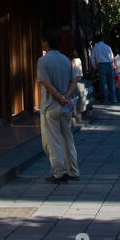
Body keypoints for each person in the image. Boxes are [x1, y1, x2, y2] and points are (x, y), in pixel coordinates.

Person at [37, 30, 80, 184]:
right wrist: (66, 96)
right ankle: (73, 170)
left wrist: (59, 97)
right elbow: (74, 81)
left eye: (43, 41)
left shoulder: (43, 61)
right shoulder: (65, 60)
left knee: (52, 141)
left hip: (51, 105)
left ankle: (59, 173)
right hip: (66, 106)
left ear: (47, 43)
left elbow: (46, 83)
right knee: (68, 139)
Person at [90, 34, 115, 104]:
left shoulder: (95, 48)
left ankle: (105, 100)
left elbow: (92, 59)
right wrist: (112, 65)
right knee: (111, 82)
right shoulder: (108, 47)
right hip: (109, 64)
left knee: (103, 83)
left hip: (101, 65)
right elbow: (112, 57)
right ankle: (113, 98)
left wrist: (95, 67)